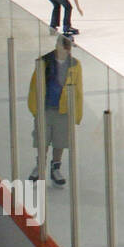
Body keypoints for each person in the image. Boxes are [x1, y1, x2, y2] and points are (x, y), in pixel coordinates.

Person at [26, 34, 83, 187]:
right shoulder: (44, 62)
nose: (68, 50)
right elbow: (34, 85)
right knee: (41, 139)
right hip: (45, 108)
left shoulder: (75, 65)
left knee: (60, 140)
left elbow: (78, 90)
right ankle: (40, 165)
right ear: (59, 46)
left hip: (64, 110)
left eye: (69, 47)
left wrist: (77, 114)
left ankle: (55, 166)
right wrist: (34, 108)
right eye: (66, 47)